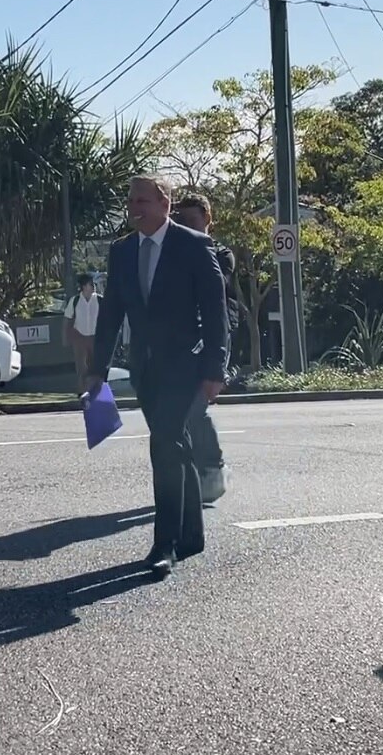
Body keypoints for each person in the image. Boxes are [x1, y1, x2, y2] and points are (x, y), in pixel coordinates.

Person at [86, 175, 229, 577]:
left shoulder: (195, 245)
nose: (135, 207)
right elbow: (111, 312)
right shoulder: (122, 251)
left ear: (164, 203)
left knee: (164, 443)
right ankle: (192, 535)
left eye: (143, 200)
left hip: (187, 366)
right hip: (145, 369)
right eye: (130, 200)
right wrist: (97, 369)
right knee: (175, 445)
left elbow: (216, 312)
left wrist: (216, 369)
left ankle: (164, 543)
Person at [172, 191, 236, 505]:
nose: (184, 225)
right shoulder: (173, 253)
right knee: (181, 410)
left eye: (191, 220)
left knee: (196, 405)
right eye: (179, 219)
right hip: (185, 338)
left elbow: (216, 291)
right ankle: (195, 472)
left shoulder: (220, 253)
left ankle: (213, 467)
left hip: (214, 337)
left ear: (207, 219)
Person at [64, 274, 101, 394]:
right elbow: (68, 320)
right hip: (79, 337)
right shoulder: (75, 301)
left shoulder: (100, 300)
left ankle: (96, 393)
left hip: (96, 338)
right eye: (91, 284)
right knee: (81, 367)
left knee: (96, 367)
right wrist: (67, 337)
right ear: (84, 287)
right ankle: (82, 392)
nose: (93, 286)